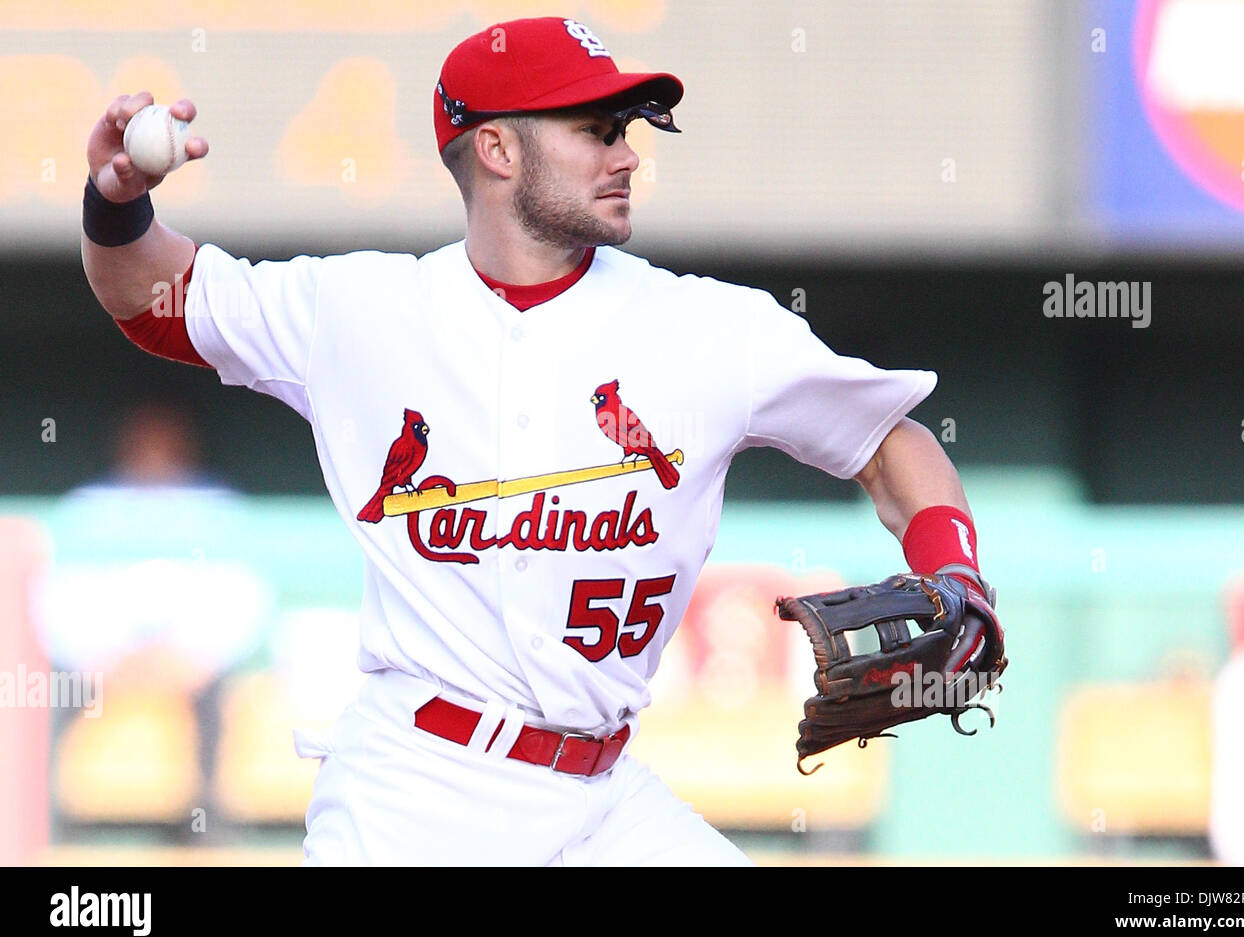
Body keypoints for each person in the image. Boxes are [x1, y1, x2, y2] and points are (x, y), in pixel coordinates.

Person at [80, 16, 998, 865]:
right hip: (417, 788)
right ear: (496, 148)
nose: (626, 155)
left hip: (605, 799)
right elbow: (152, 300)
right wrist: (117, 206)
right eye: (595, 130)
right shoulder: (359, 311)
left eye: (626, 130)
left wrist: (954, 568)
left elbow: (890, 442)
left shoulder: (713, 331)